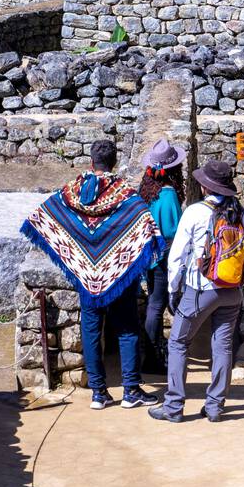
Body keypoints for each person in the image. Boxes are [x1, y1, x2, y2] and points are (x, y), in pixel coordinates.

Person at [22, 139, 165, 411]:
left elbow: (46, 215)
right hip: (120, 276)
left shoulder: (73, 191)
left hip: (86, 276)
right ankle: (130, 390)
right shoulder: (123, 193)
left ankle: (99, 393)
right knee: (126, 329)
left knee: (90, 330)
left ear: (91, 162)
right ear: (114, 162)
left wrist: (80, 258)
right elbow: (145, 225)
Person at [149, 159, 244, 425]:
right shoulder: (240, 214)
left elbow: (177, 256)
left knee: (178, 342)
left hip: (200, 289)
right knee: (223, 346)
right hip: (232, 291)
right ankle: (215, 406)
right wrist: (241, 282)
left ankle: (173, 406)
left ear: (206, 187)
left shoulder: (195, 212)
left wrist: (173, 290)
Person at [138, 139, 185, 373]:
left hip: (148, 254)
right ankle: (152, 355)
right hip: (162, 256)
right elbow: (174, 232)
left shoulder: (147, 192)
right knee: (156, 305)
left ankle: (152, 350)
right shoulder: (168, 196)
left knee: (153, 304)